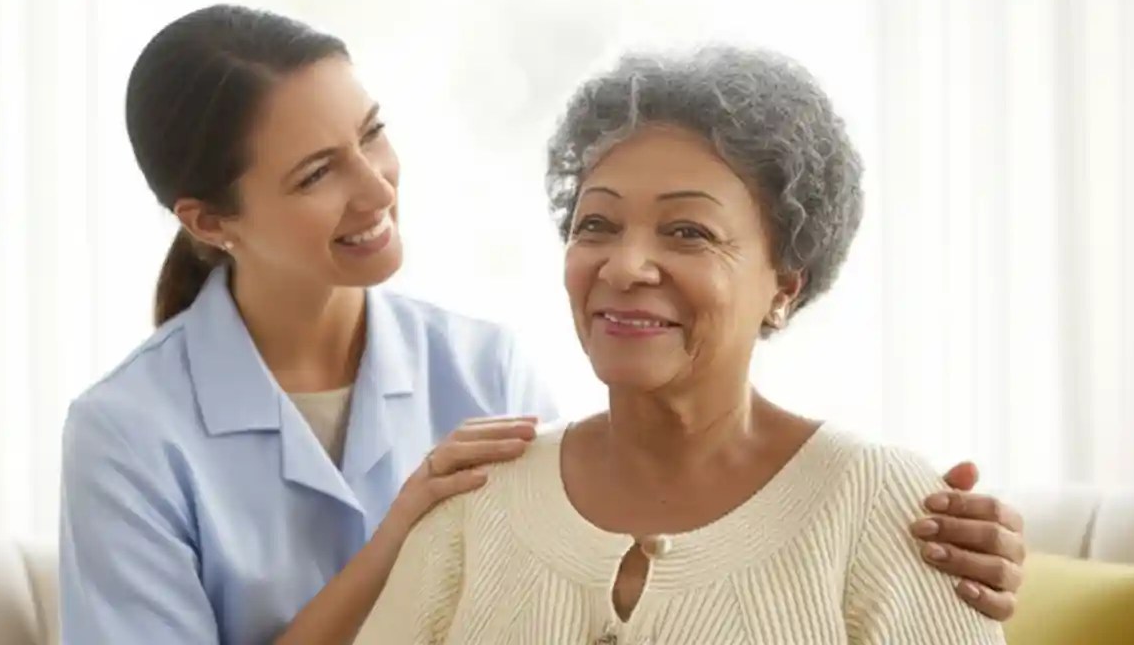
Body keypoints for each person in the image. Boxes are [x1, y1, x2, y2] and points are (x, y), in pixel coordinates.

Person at [59, 5, 1025, 645]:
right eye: (316, 174)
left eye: (371, 134)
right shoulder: (130, 430)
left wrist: (929, 539)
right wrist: (405, 529)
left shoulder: (482, 364)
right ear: (209, 221)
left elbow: (646, 496)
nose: (375, 185)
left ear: (788, 278)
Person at [354, 45, 1020, 644]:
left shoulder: (882, 505)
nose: (623, 267)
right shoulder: (480, 495)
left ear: (784, 285)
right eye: (597, 224)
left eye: (688, 233)